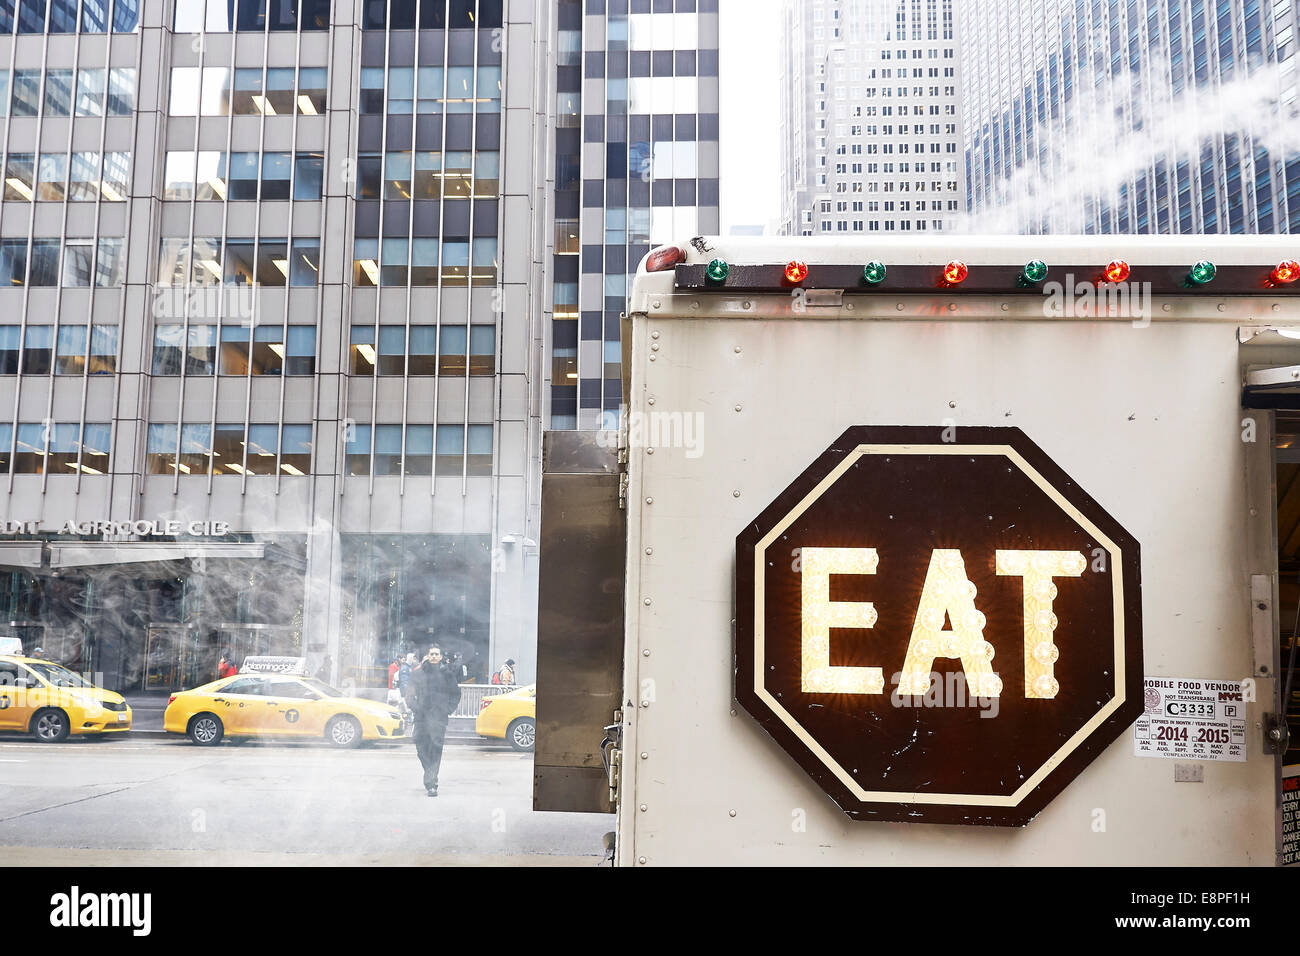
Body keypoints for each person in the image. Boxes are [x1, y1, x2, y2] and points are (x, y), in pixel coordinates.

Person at [406, 645, 462, 796]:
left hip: (439, 719)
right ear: (427, 656)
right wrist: (416, 707)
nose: (434, 657)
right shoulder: (417, 674)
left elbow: (456, 694)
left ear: (441, 657)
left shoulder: (447, 675)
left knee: (435, 750)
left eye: (437, 654)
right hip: (421, 718)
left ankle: (431, 783)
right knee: (421, 748)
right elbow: (409, 695)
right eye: (431, 654)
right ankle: (430, 775)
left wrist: (448, 709)